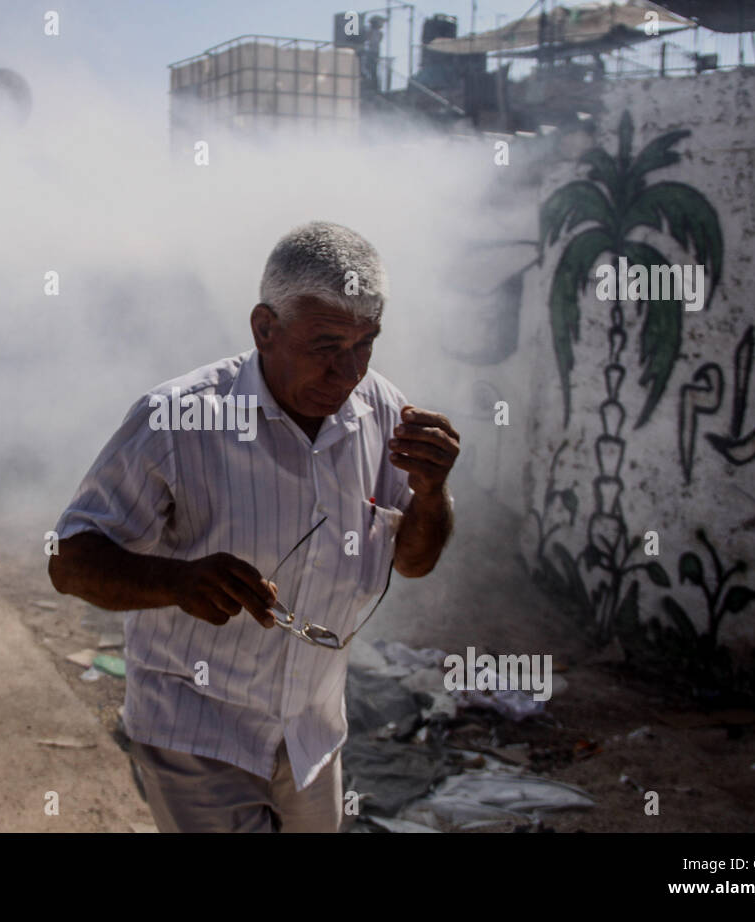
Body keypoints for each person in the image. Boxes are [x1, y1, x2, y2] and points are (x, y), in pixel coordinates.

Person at [48, 221, 459, 832]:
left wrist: (432, 492)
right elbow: (69, 559)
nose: (348, 373)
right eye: (325, 346)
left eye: (365, 343)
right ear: (264, 328)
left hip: (312, 733)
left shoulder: (382, 413)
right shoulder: (180, 418)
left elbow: (415, 561)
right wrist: (178, 581)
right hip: (196, 726)